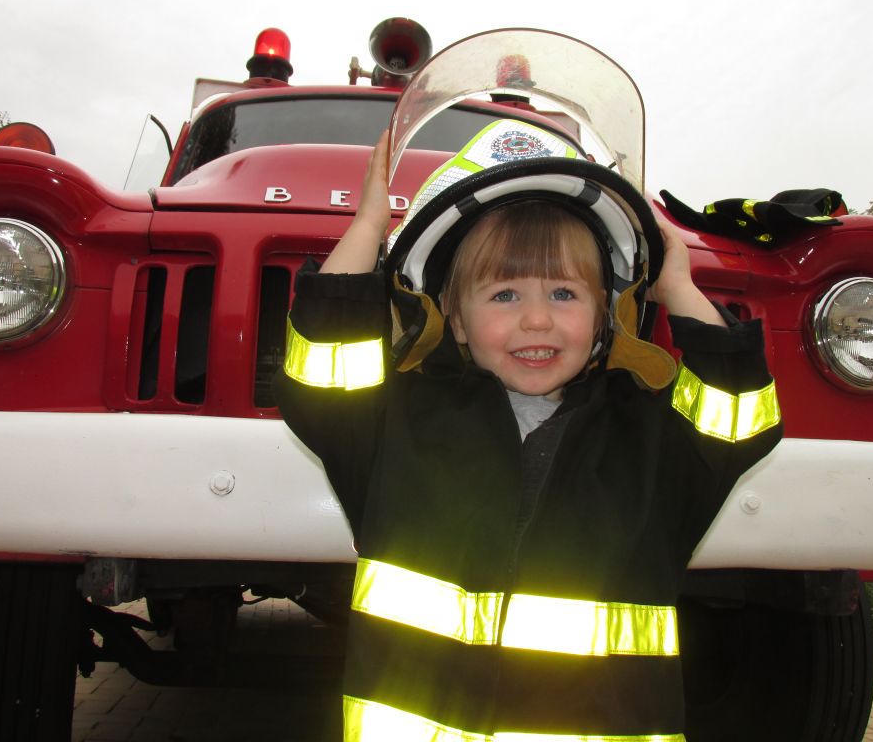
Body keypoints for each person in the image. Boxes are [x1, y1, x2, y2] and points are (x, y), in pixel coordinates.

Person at [276, 119, 783, 742]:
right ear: (455, 320)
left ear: (606, 316)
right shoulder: (398, 429)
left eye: (566, 293)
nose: (538, 319)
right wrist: (366, 231)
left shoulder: (647, 443)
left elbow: (739, 414)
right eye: (505, 294)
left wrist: (677, 284)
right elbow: (320, 376)